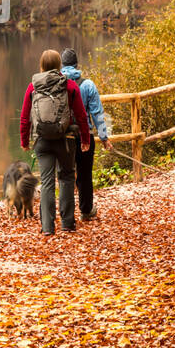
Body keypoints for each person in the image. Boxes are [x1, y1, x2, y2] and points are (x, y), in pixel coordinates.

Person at [19, 49, 91, 235]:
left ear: (42, 65)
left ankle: (48, 227)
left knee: (47, 181)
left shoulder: (33, 86)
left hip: (42, 141)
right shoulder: (69, 85)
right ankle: (67, 223)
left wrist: (24, 140)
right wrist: (85, 139)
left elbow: (25, 117)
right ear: (59, 65)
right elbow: (82, 116)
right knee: (67, 178)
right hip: (65, 140)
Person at [61, 47, 112, 222]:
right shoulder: (87, 85)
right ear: (76, 64)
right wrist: (104, 138)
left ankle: (66, 214)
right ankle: (86, 210)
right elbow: (97, 113)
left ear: (62, 64)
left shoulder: (57, 83)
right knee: (84, 174)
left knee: (65, 175)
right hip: (84, 136)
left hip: (63, 137)